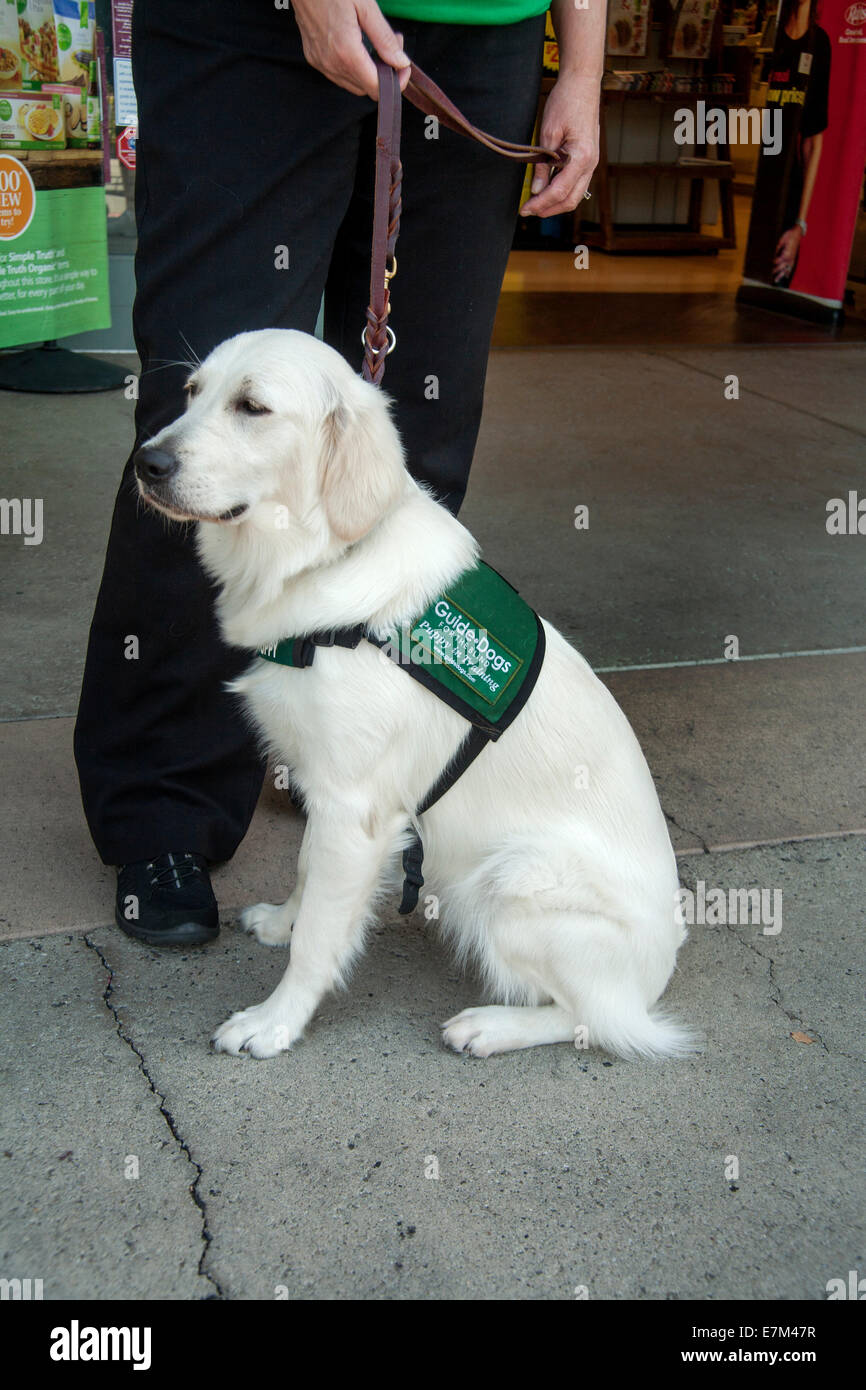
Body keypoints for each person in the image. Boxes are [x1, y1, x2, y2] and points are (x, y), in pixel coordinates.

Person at [74, 0, 603, 946]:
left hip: (482, 30)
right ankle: (165, 803)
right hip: (248, 28)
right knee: (204, 436)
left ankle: (359, 761)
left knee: (413, 439)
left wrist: (583, 65)